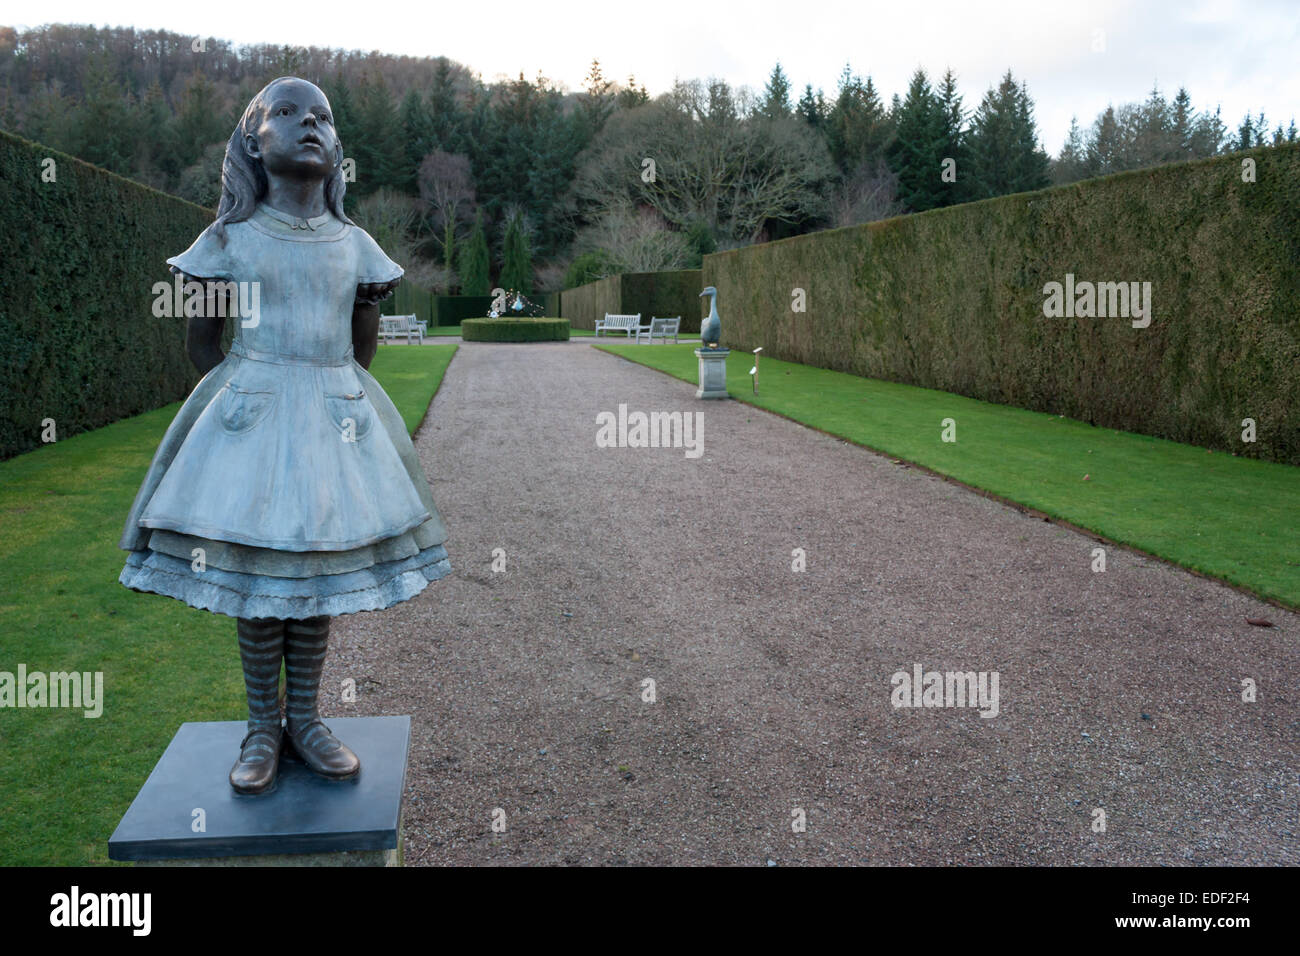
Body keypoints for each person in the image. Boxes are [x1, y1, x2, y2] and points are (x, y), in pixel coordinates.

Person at [118, 76, 451, 795]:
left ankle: (305, 717)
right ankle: (261, 726)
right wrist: (243, 404)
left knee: (314, 572)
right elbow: (203, 343)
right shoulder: (229, 239)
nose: (309, 125)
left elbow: (360, 352)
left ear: (336, 148)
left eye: (323, 118)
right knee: (261, 580)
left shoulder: (356, 246)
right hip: (252, 418)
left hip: (333, 414)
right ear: (252, 138)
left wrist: (326, 403)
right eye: (288, 112)